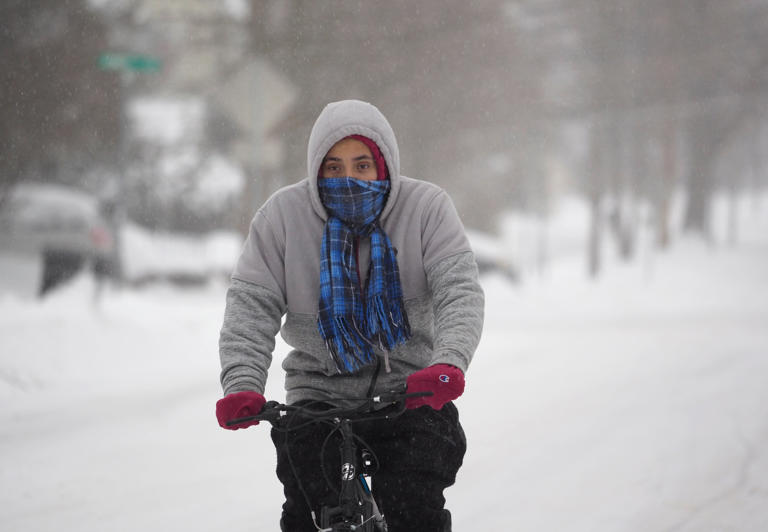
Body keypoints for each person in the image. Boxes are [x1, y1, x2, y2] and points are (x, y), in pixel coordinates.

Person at [216, 99, 484, 531]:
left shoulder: (426, 208)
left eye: (362, 165)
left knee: (414, 508)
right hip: (317, 397)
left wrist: (447, 363)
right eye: (334, 168)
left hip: (411, 393)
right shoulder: (282, 218)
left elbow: (459, 292)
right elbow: (252, 307)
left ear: (384, 165)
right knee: (307, 513)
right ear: (316, 169)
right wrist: (242, 384)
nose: (349, 179)